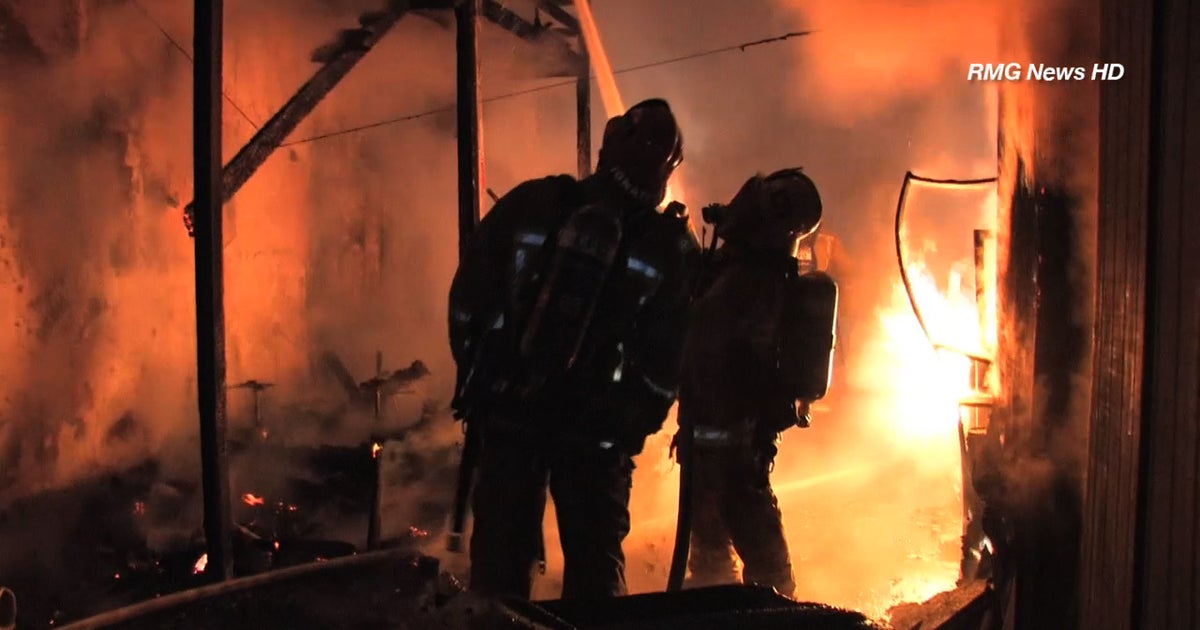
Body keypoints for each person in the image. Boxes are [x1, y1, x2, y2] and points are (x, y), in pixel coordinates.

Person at [447, 98, 699, 600]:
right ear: (665, 172)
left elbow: (467, 304)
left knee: (500, 566)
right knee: (595, 571)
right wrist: (628, 427)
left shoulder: (532, 202)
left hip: (510, 414)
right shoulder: (670, 246)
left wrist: (482, 382)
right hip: (595, 435)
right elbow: (670, 361)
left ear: (607, 147)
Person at [676, 168, 833, 598]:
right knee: (729, 558)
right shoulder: (740, 273)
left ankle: (770, 616)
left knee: (746, 558)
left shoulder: (751, 281)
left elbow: (713, 352)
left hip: (730, 446)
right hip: (719, 444)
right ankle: (738, 613)